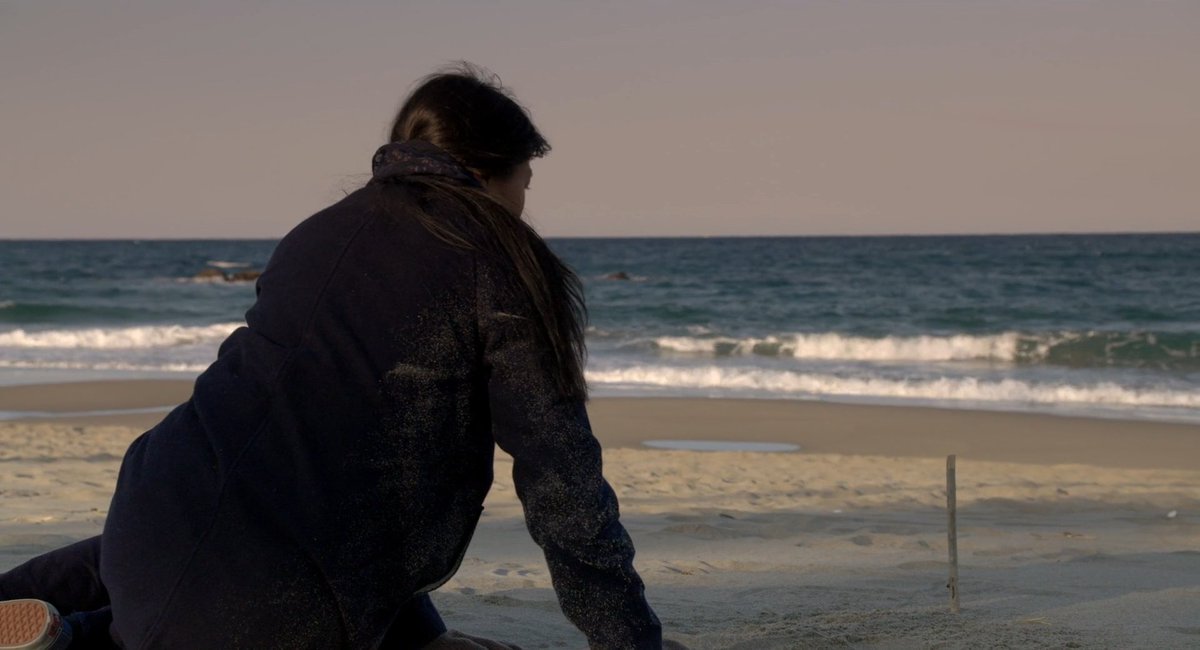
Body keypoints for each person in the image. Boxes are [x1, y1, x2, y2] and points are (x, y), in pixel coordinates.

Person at [0, 63, 665, 649]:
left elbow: (335, 450)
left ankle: (60, 622)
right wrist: (629, 639)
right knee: (215, 609)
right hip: (274, 600)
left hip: (148, 509)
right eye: (526, 180)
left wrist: (424, 634)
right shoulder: (499, 262)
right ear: (492, 170)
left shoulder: (317, 234)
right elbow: (562, 485)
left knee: (170, 572)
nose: (524, 204)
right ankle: (88, 636)